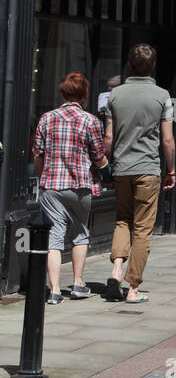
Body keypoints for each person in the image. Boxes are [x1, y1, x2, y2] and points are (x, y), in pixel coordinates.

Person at [102, 44, 175, 305]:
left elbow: (109, 137)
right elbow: (167, 140)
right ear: (153, 65)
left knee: (122, 220)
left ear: (129, 65)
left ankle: (116, 270)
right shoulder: (163, 96)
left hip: (121, 167)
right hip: (148, 169)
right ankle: (133, 288)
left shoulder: (115, 96)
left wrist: (108, 164)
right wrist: (171, 169)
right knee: (143, 229)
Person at [32, 73, 109, 304]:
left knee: (54, 236)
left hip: (52, 185)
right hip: (79, 186)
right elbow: (98, 157)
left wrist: (42, 175)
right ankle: (77, 283)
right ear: (84, 94)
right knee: (80, 232)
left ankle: (54, 290)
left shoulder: (46, 118)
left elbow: (38, 154)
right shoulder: (90, 121)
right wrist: (107, 168)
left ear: (63, 93)